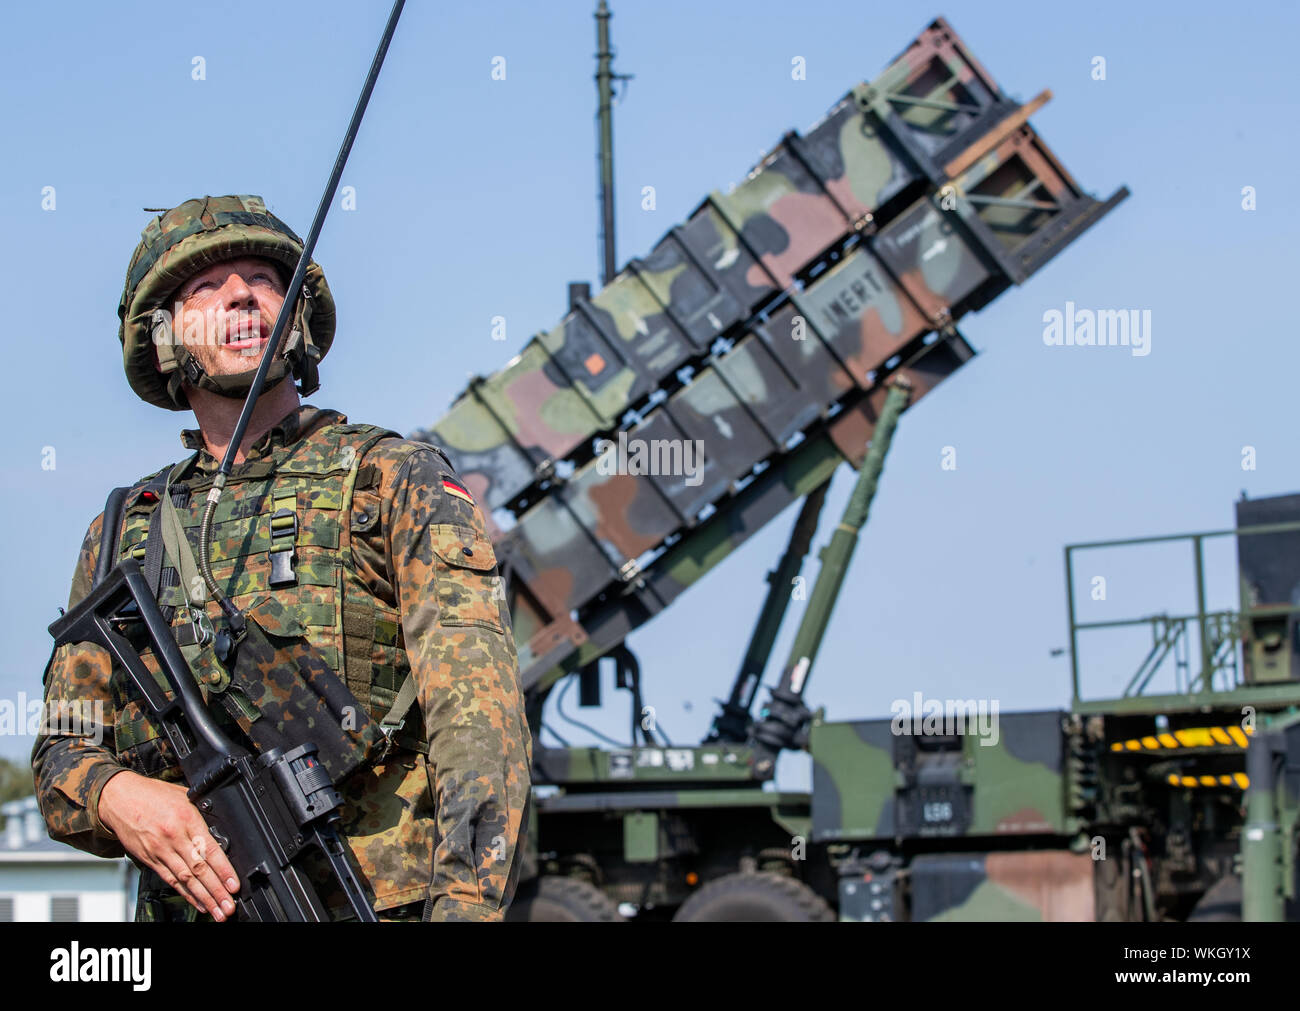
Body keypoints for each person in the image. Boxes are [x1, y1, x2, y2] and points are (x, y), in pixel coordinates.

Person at [31, 194, 533, 922]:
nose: (239, 293)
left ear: (296, 315)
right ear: (163, 337)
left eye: (263, 278)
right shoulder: (120, 534)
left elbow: (479, 723)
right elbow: (60, 757)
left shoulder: (391, 478)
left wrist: (464, 908)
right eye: (203, 287)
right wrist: (118, 795)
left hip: (375, 904)